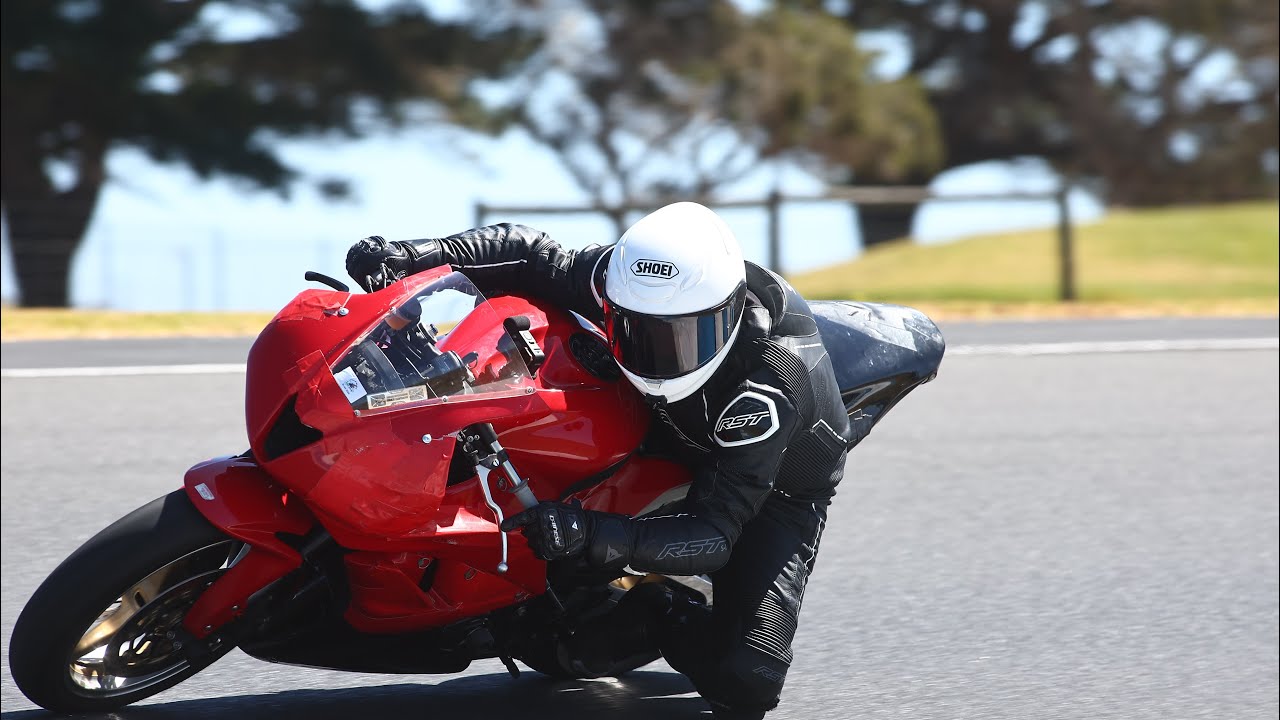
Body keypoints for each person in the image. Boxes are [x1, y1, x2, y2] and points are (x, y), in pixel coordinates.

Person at [345, 202, 851, 719]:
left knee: (748, 679)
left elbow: (713, 534)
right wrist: (416, 255)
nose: (656, 358)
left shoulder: (769, 388)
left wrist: (587, 532)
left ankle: (662, 610)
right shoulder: (625, 279)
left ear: (727, 316)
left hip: (773, 489)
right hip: (660, 422)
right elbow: (527, 252)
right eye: (637, 333)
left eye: (679, 339)